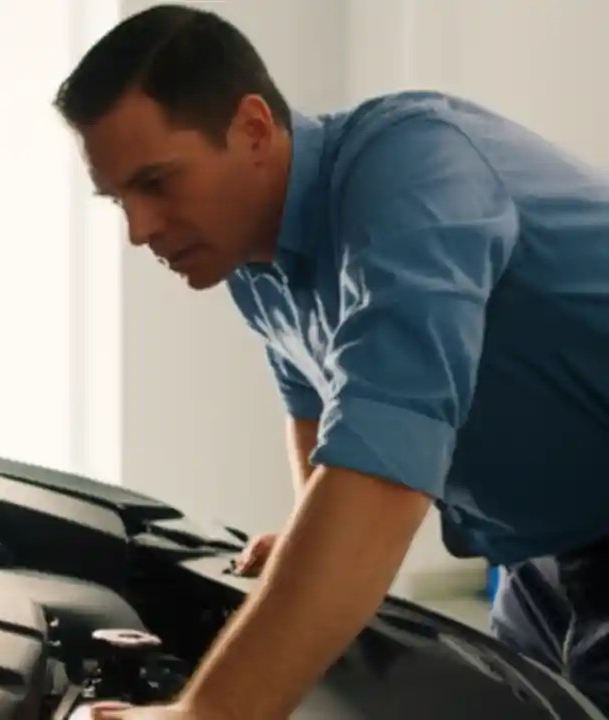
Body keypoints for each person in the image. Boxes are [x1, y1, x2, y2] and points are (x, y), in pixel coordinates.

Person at [53, 5, 609, 720]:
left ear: (253, 129)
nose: (138, 230)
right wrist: (307, 540)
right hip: (545, 552)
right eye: (117, 197)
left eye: (156, 182)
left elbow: (381, 471)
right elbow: (315, 403)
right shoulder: (249, 261)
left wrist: (210, 715)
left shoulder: (415, 170)